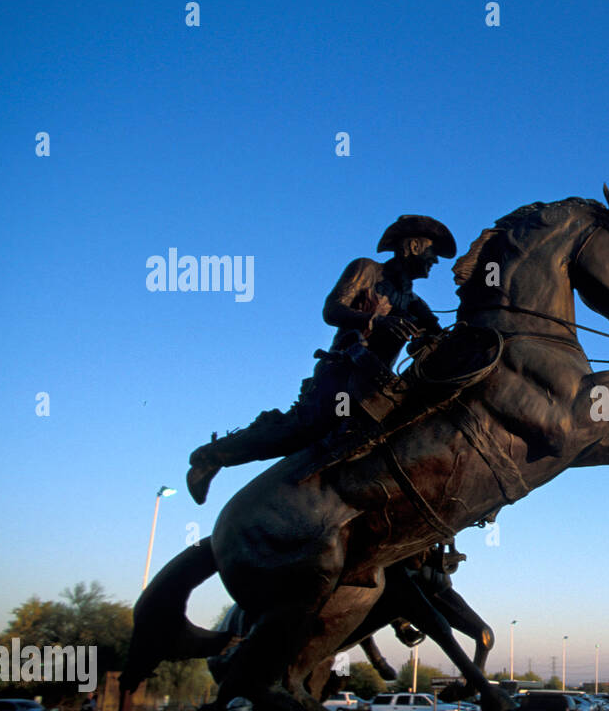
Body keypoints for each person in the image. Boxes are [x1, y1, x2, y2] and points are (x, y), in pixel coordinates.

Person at [186, 215, 457, 504]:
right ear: (413, 246)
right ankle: (211, 456)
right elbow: (332, 310)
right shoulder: (366, 269)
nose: (435, 261)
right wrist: (376, 321)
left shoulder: (415, 302)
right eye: (432, 252)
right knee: (306, 429)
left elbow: (439, 339)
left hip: (375, 389)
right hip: (342, 373)